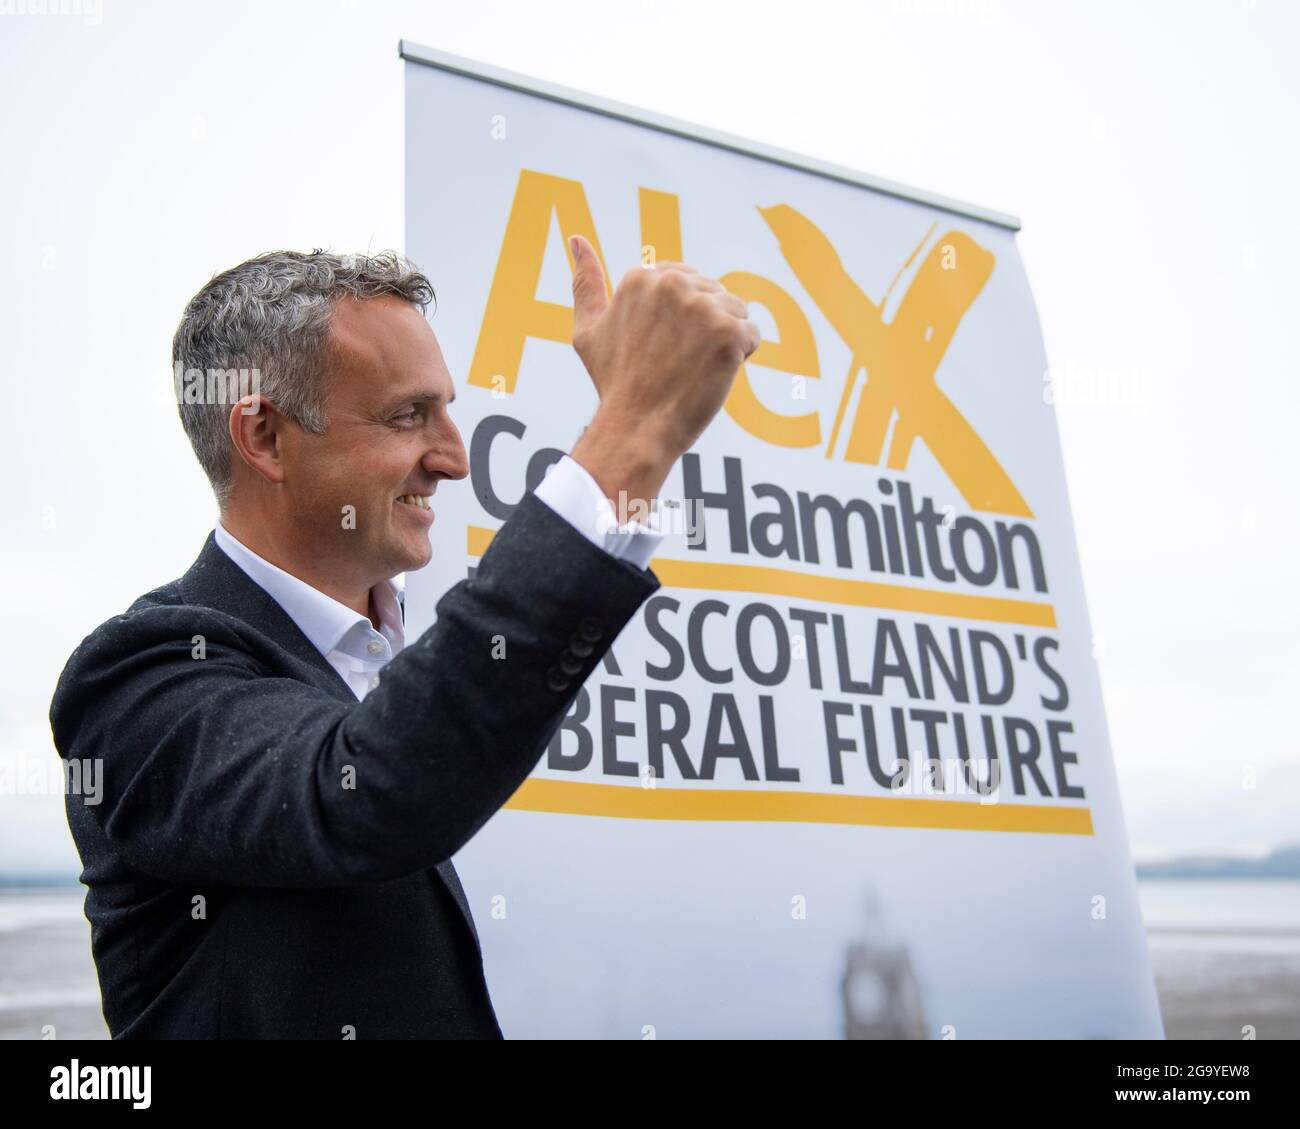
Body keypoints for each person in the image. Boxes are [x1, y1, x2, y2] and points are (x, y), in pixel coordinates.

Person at [49, 236, 760, 1038]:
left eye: (446, 410)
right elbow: (360, 792)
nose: (453, 457)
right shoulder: (135, 678)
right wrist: (630, 434)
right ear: (266, 438)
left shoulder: (377, 659)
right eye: (407, 415)